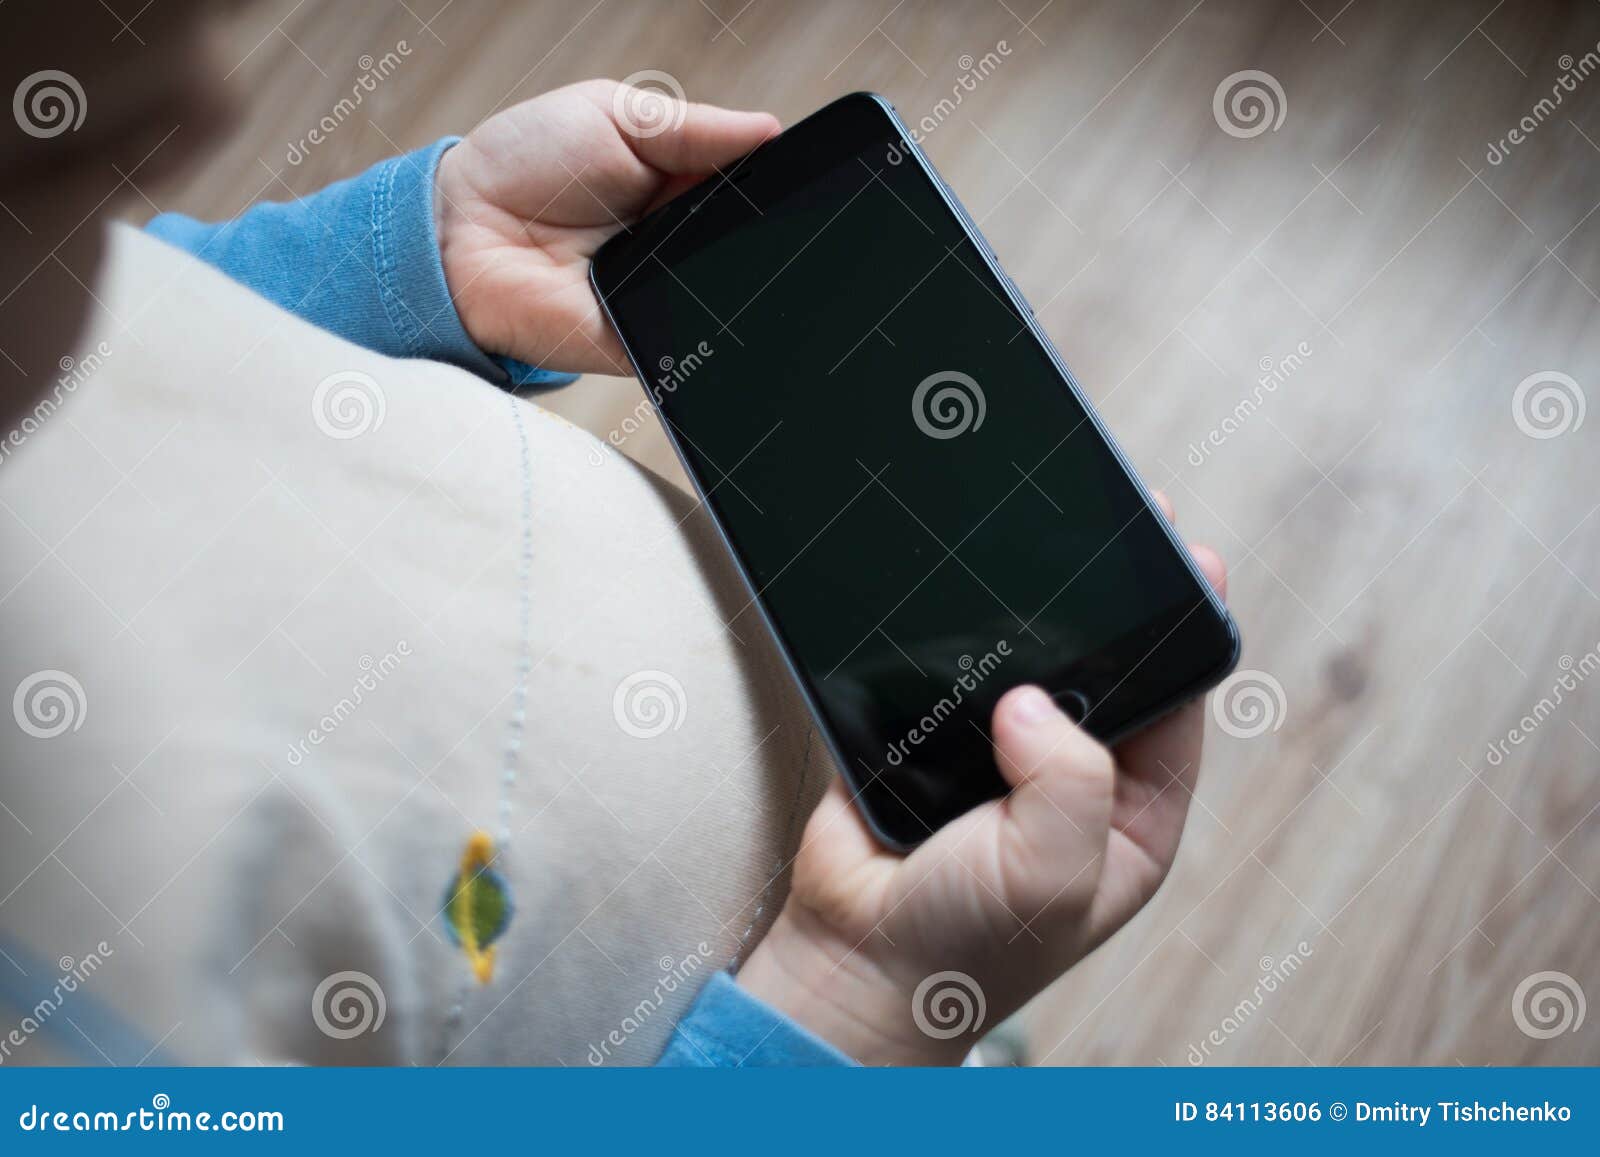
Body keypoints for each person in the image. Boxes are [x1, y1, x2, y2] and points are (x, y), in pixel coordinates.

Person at [0, 5, 1226, 1066]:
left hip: (838, 807)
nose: (210, 113)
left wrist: (413, 262)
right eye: (41, 164)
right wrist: (862, 1005)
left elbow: (173, 311)